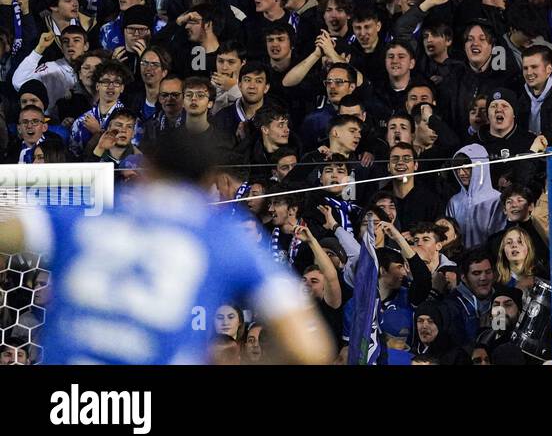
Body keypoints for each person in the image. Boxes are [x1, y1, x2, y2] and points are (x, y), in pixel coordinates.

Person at [0, 133, 332, 364]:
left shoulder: (88, 214)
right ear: (209, 181)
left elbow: (9, 223)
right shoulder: (224, 239)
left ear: (149, 168)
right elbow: (311, 349)